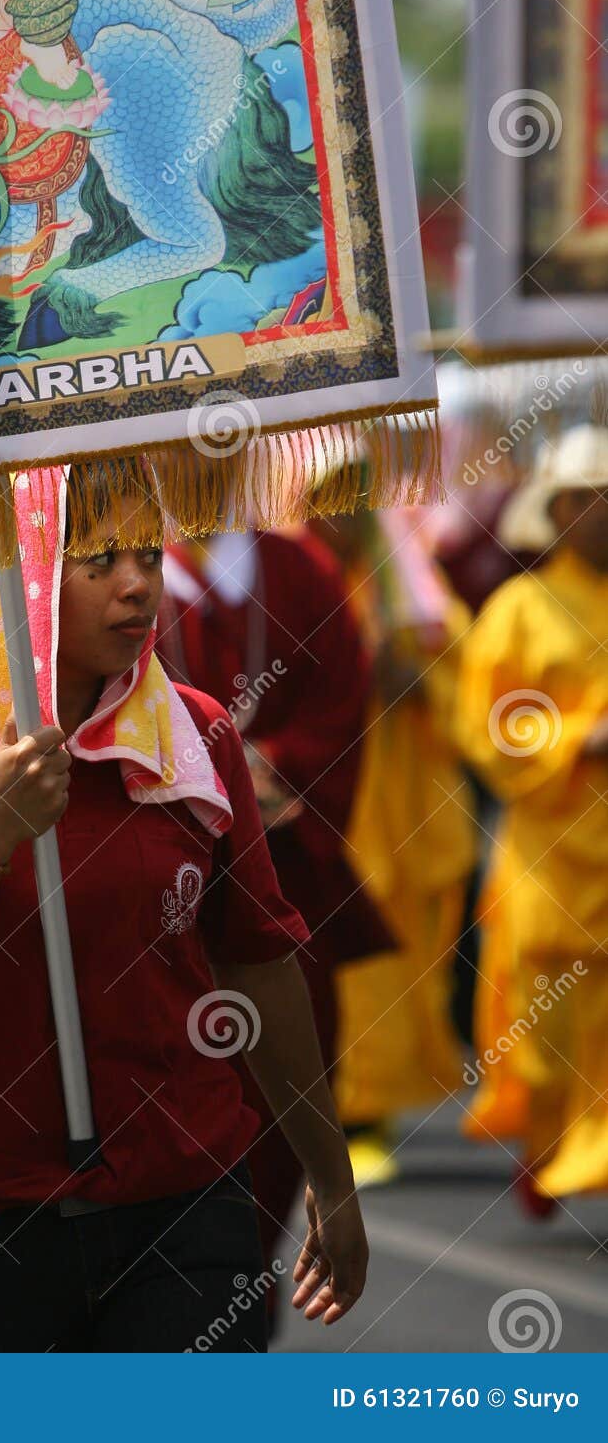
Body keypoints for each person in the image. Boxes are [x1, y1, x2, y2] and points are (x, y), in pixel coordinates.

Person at [0, 460, 368, 1352]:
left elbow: (257, 963)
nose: (138, 583)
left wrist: (328, 1180)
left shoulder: (192, 735)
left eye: (146, 552)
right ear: (15, 573)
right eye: (96, 558)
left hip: (187, 1201)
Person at [160, 527, 393, 1303]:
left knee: (287, 1059)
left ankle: (242, 1289)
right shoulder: (119, 568)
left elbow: (341, 694)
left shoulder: (297, 566)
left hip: (283, 868)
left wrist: (274, 768)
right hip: (161, 877)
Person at [305, 490, 477, 1186]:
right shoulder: (289, 584)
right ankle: (341, 1117)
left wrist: (414, 683)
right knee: (338, 963)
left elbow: (468, 683)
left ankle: (369, 1116)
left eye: (352, 504)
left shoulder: (406, 588)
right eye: (324, 504)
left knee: (394, 958)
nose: (339, 520)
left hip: (401, 809)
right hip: (328, 808)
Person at [457, 425, 608, 1214]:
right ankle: (548, 1146)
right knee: (546, 1042)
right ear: (553, 511)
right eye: (582, 499)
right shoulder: (517, 610)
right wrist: (579, 738)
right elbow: (483, 728)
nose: (598, 513)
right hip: (553, 856)